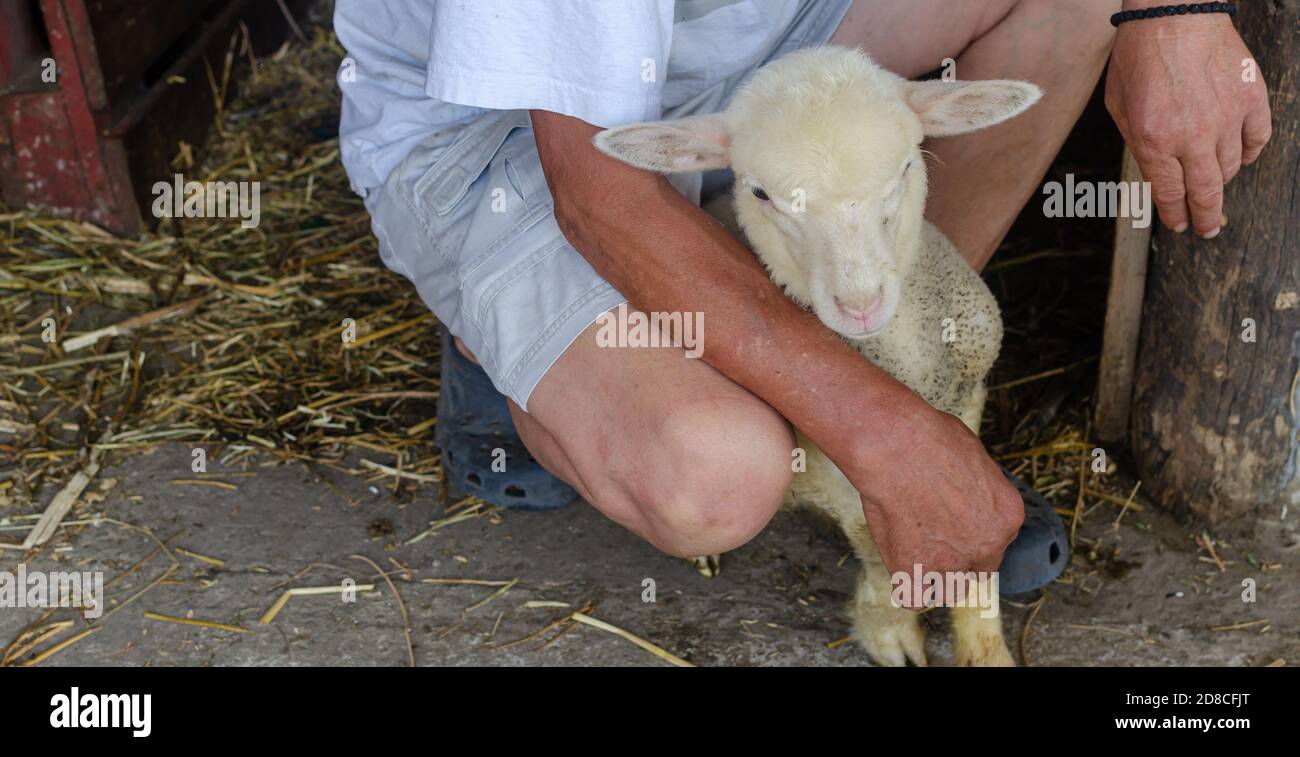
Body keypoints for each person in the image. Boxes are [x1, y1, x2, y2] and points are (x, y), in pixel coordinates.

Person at [334, 1, 1271, 596]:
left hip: (758, 38)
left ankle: (868, 365)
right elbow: (601, 194)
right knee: (719, 473)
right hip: (521, 138)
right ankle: (498, 347)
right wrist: (895, 440)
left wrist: (1172, 7)